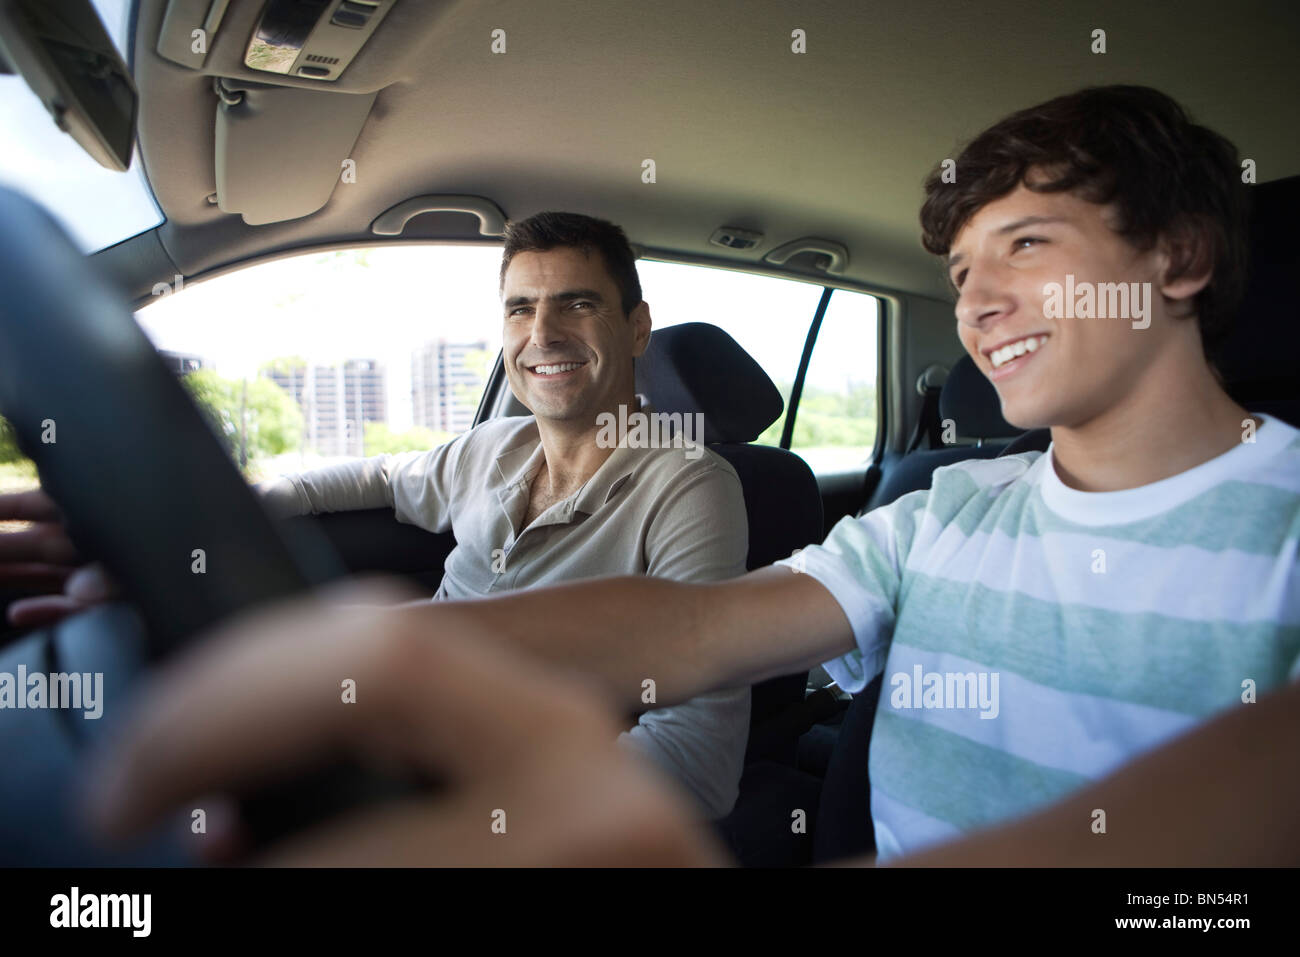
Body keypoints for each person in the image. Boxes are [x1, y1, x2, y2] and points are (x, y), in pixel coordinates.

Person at [24, 85, 1300, 865]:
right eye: (963, 273)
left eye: (1025, 245)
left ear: (1177, 257)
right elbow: (693, 627)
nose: (978, 305)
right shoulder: (943, 510)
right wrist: (358, 664)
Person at [0, 212, 754, 822]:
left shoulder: (691, 486)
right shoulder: (492, 448)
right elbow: (375, 475)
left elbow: (699, 763)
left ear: (637, 328)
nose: (542, 333)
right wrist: (229, 516)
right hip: (389, 729)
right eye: (521, 307)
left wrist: (459, 789)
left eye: (578, 303)